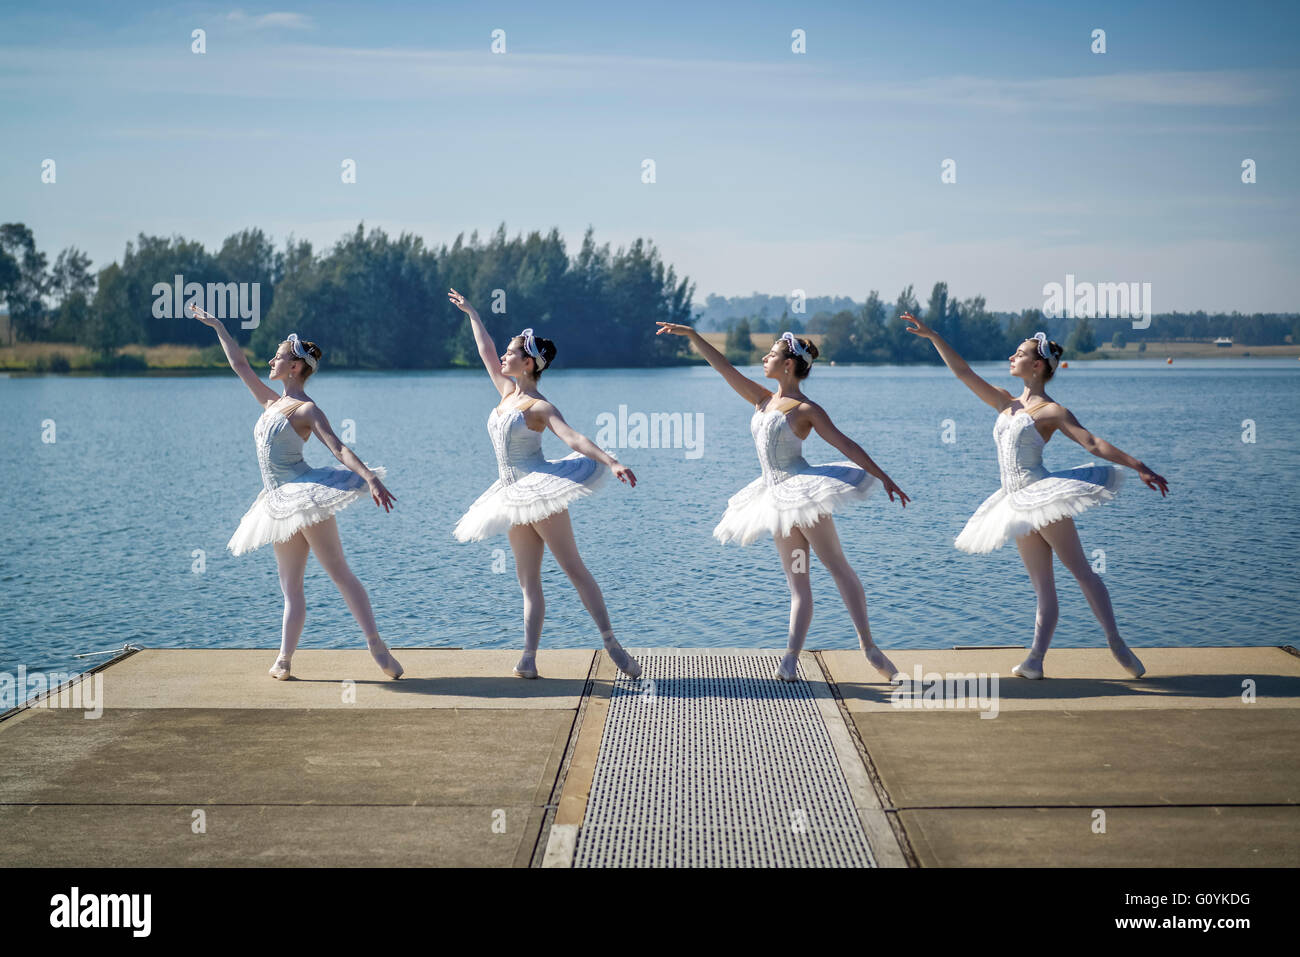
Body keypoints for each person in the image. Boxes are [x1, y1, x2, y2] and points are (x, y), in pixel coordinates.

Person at [904, 313, 1168, 679]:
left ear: (1038, 365)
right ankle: (1035, 661)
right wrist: (933, 336)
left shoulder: (1052, 411)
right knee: (1043, 587)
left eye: (1020, 353)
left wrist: (1139, 465)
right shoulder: (1005, 402)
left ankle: (1115, 642)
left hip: (1042, 496)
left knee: (1080, 571)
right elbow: (963, 373)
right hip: (1014, 503)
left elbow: (1092, 443)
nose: (1012, 357)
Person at [656, 323, 910, 683]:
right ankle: (790, 660)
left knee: (837, 567)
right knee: (799, 584)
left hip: (802, 494)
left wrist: (885, 478)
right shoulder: (762, 399)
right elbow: (725, 368)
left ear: (789, 364)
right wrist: (694, 336)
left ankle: (869, 647)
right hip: (774, 500)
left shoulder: (806, 409)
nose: (765, 357)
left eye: (772, 354)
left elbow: (847, 445)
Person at [191, 304, 403, 681]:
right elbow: (240, 365)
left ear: (294, 367)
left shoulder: (306, 410)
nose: (270, 360)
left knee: (338, 572)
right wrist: (219, 327)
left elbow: (338, 448)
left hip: (304, 495)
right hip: (277, 503)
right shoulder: (271, 402)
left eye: (278, 356)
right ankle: (284, 660)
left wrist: (369, 477)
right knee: (290, 587)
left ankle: (376, 646)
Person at [448, 288, 642, 680]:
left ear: (529, 363)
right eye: (505, 352)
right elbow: (486, 350)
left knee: (573, 568)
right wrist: (473, 314)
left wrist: (611, 460)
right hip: (509, 495)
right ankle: (529, 657)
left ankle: (611, 644)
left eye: (511, 352)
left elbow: (572, 438)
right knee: (527, 582)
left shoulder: (539, 407)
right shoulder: (505, 393)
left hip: (539, 489)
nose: (503, 356)